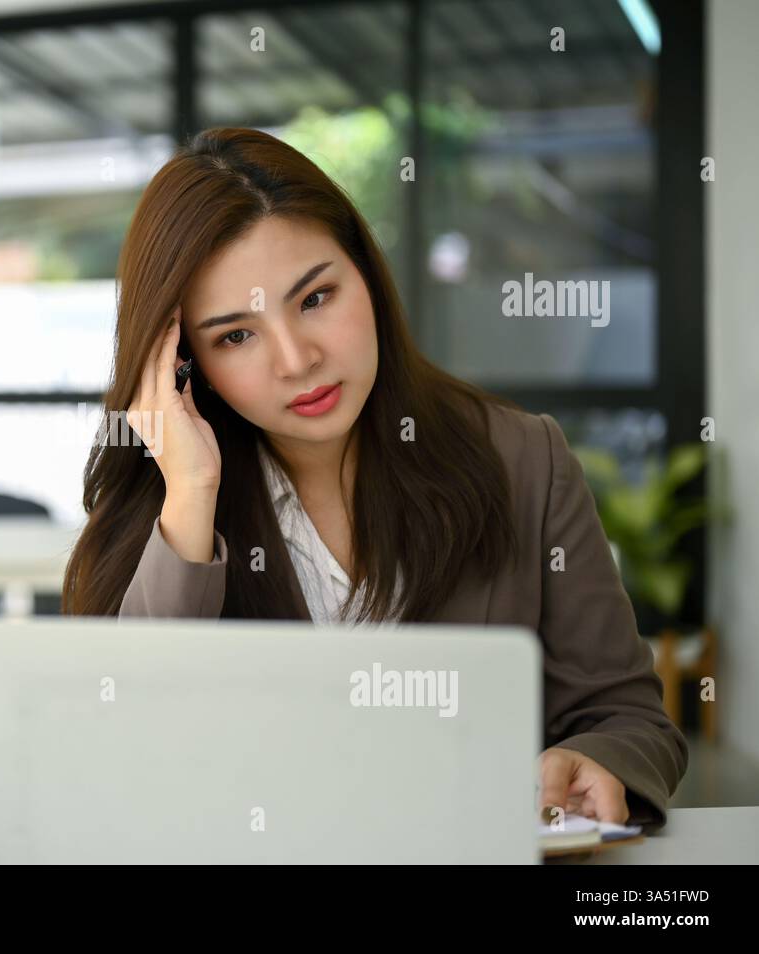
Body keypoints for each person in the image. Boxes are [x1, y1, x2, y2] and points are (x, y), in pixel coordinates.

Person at [61, 127, 687, 830]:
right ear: (182, 364)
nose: (296, 360)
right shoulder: (171, 511)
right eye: (235, 335)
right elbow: (120, 754)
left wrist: (598, 761)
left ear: (367, 273)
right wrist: (191, 494)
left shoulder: (523, 460)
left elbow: (629, 717)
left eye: (316, 298)